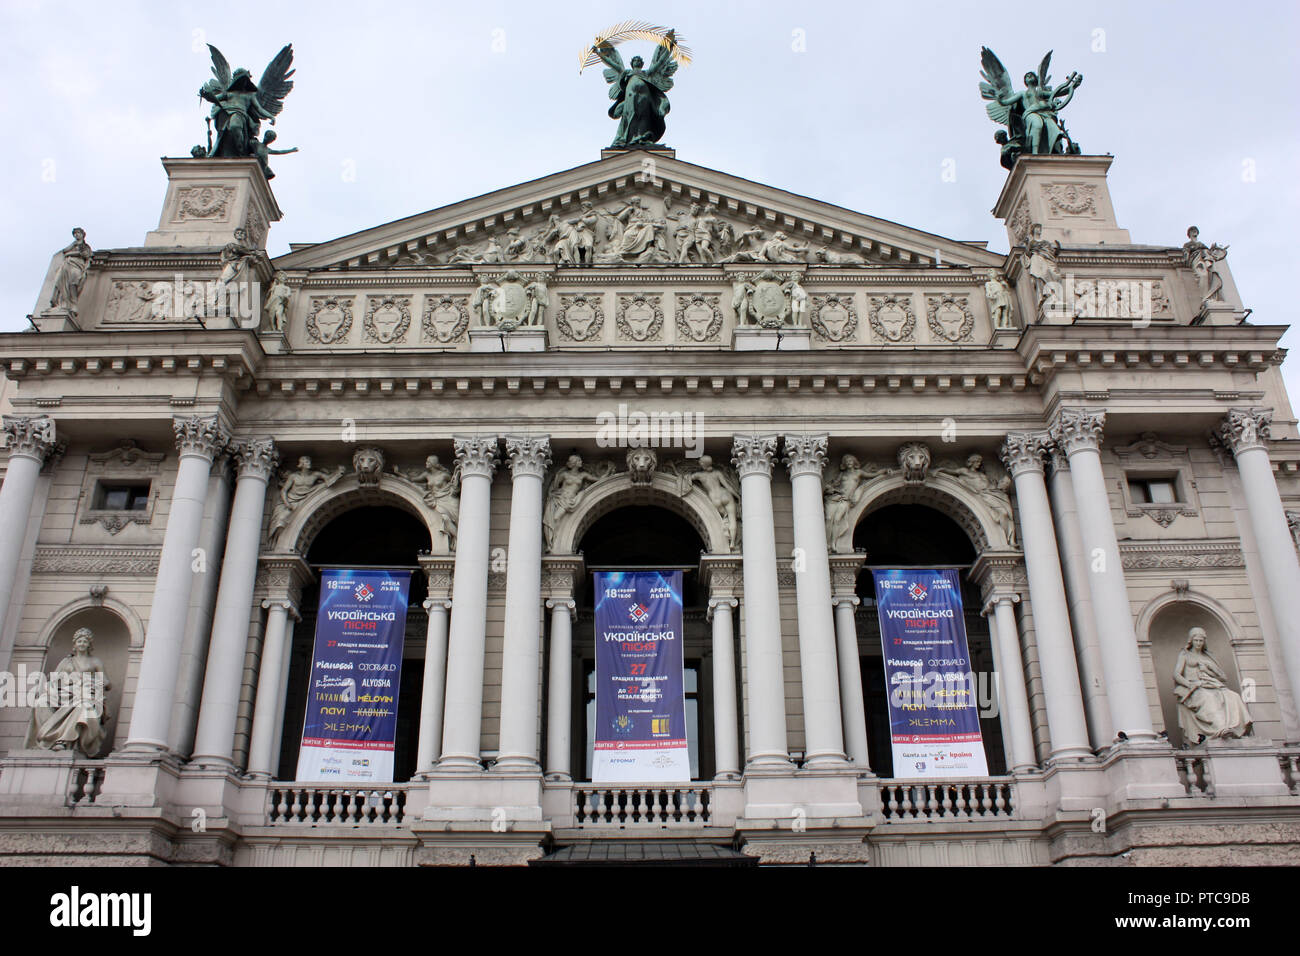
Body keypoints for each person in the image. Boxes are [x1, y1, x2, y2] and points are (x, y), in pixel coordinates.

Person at [33, 628, 111, 757]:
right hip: (64, 693)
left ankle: (63, 741)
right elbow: (54, 679)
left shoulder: (95, 662)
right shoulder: (66, 662)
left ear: (89, 644)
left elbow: (107, 683)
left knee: (83, 705)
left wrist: (91, 681)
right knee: (42, 701)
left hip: (86, 693)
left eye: (85, 641)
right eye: (79, 641)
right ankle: (49, 739)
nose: (82, 643)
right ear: (74, 644)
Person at [1173, 627, 1252, 744]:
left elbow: (1223, 677)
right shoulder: (1185, 655)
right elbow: (1176, 674)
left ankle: (1234, 729)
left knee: (1233, 696)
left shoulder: (1208, 656)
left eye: (1201, 641)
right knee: (1208, 698)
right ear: (1191, 641)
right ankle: (1221, 729)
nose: (1199, 643)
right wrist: (1189, 684)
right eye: (1196, 640)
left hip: (1212, 685)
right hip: (1195, 688)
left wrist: (1208, 670)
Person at [47, 227, 92, 314]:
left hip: (77, 265)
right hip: (67, 264)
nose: (76, 235)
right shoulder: (73, 245)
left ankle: (73, 304)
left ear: (83, 234)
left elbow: (85, 254)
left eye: (78, 233)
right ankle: (61, 303)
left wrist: (70, 253)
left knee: (74, 283)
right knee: (60, 281)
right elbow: (64, 251)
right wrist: (73, 245)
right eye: (75, 234)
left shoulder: (85, 246)